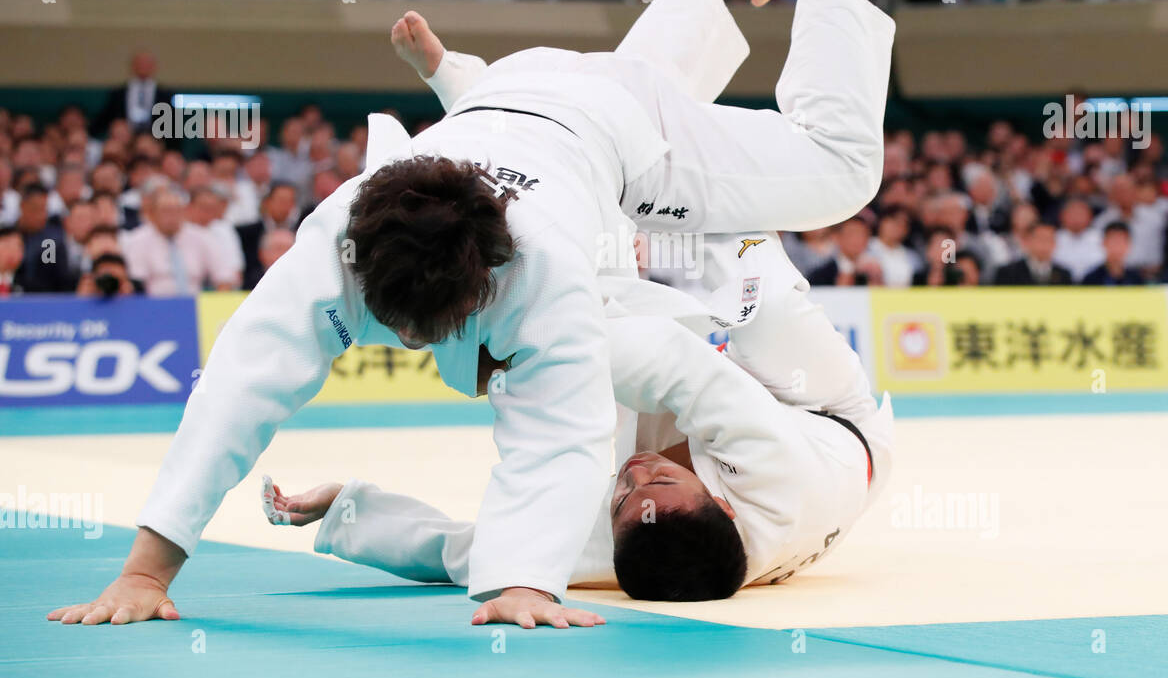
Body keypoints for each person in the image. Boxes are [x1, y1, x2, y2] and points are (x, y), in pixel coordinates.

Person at [47, 0, 906, 633]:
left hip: (602, 126)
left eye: (434, 330)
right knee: (641, 114)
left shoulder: (547, 267)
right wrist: (145, 571)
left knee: (839, 170)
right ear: (356, 264)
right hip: (529, 96)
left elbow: (560, 434)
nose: (423, 345)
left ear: (496, 268)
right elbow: (236, 388)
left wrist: (525, 583)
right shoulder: (334, 237)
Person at [263, 233, 894, 602]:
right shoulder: (777, 476)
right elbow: (677, 359)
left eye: (626, 498)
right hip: (828, 413)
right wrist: (525, 356)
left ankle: (589, 248)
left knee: (590, 401)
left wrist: (346, 506)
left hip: (718, 430)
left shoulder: (612, 554)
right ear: (725, 506)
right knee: (767, 313)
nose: (639, 474)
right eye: (660, 484)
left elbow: (469, 552)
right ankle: (733, 216)